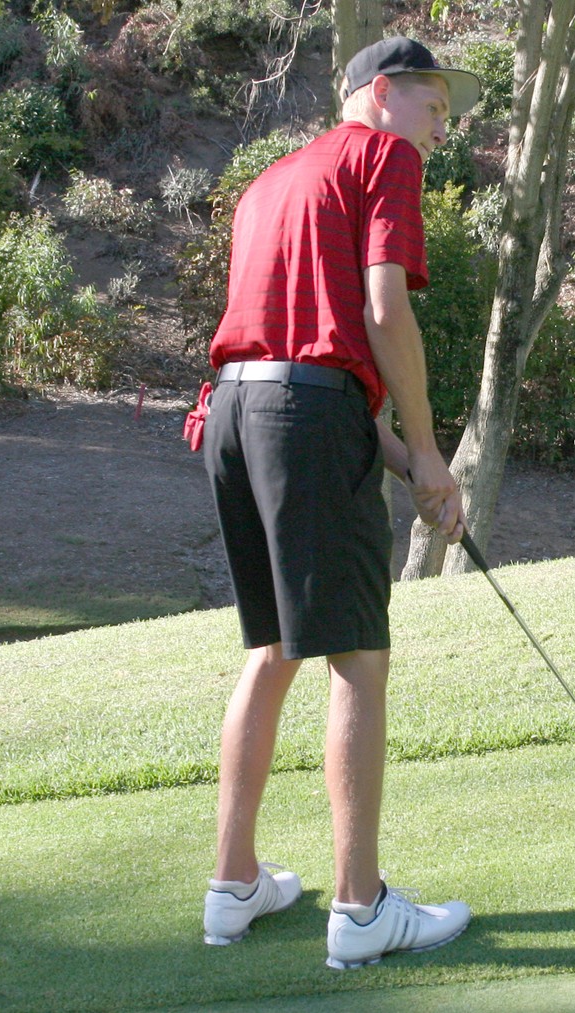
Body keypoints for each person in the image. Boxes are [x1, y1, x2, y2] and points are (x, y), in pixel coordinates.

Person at [195, 37, 483, 970]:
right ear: (382, 94)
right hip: (299, 413)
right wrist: (435, 447)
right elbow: (381, 311)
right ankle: (360, 909)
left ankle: (233, 887)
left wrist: (412, 470)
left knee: (273, 646)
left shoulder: (270, 181)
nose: (444, 128)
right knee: (357, 654)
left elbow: (300, 368)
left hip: (236, 413)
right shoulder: (385, 156)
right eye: (436, 106)